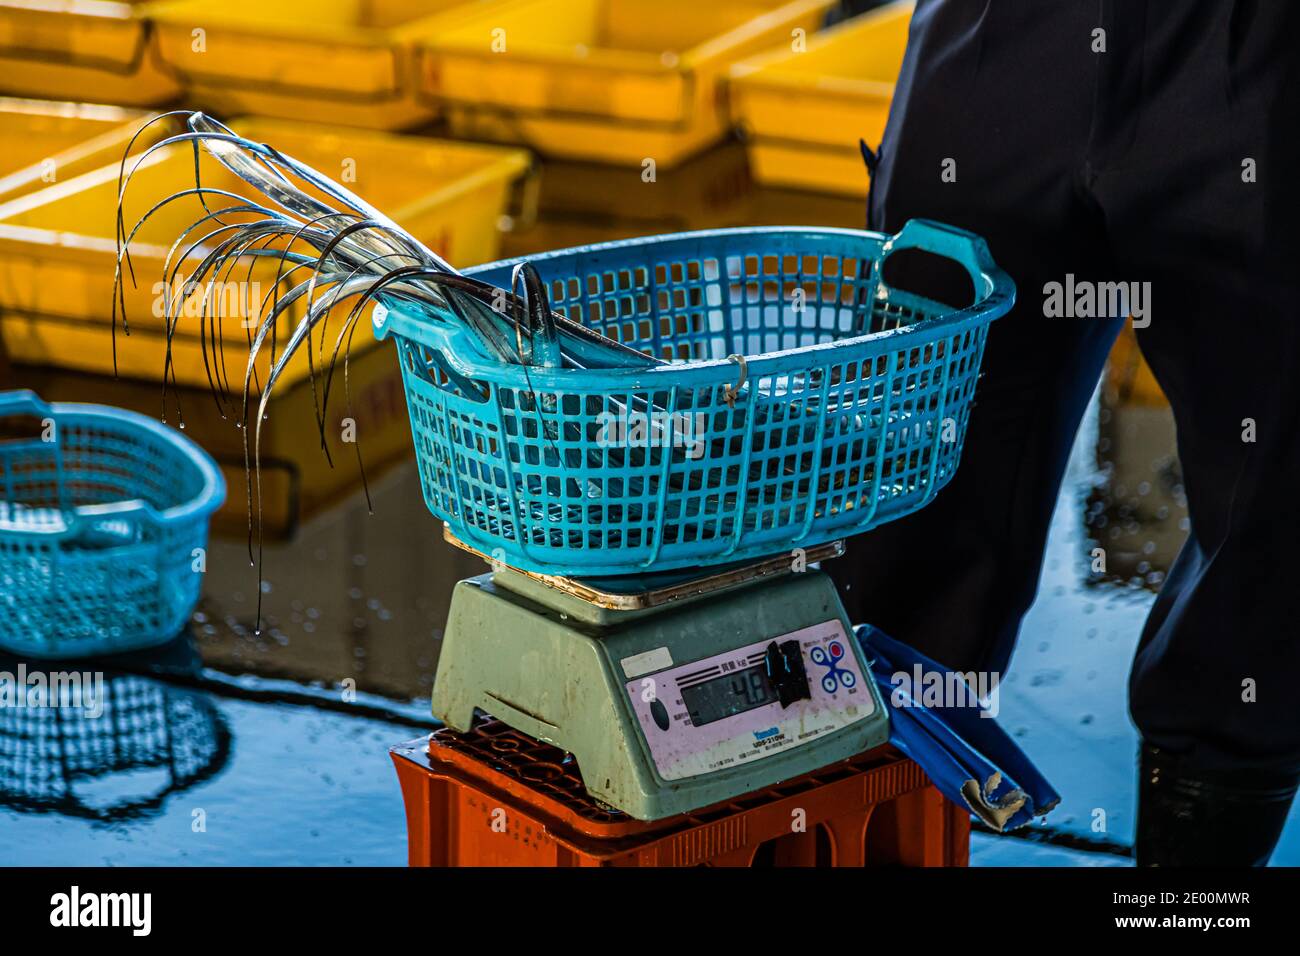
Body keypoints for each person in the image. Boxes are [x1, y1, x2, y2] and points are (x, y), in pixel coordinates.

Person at [828, 0, 1300, 865]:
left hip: (1258, 52)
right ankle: (880, 836)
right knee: (913, 493)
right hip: (996, 40)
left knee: (1272, 526)